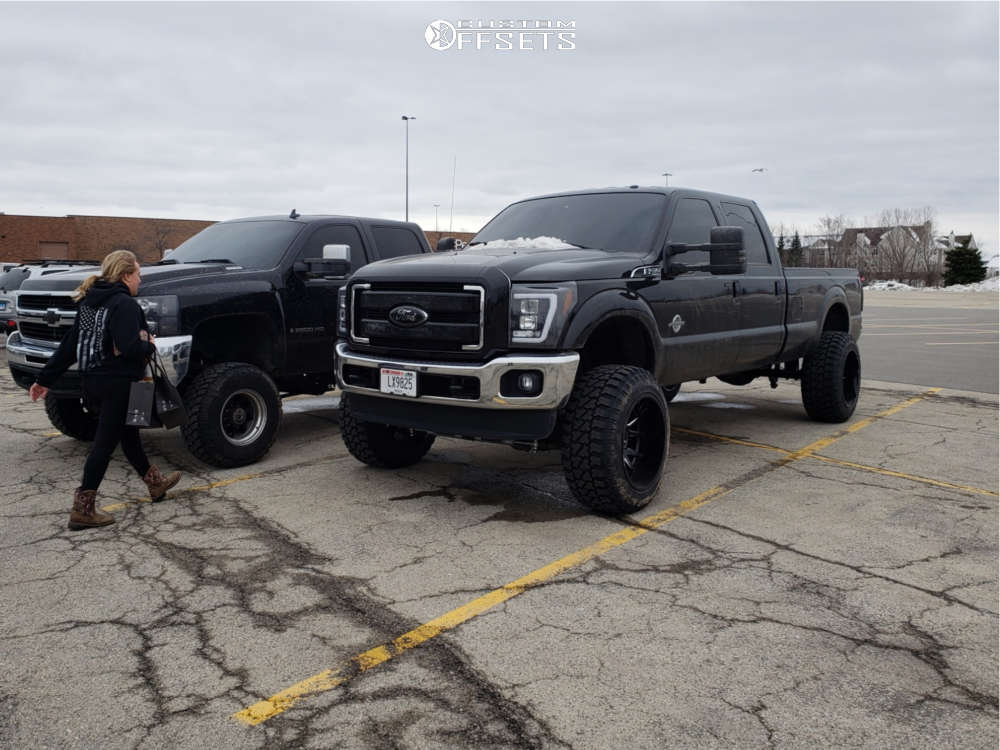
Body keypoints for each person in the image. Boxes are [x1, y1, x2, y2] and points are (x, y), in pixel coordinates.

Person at [28, 250, 181, 530]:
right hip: (118, 384)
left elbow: (70, 345)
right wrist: (149, 345)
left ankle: (155, 484)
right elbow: (130, 348)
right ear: (125, 275)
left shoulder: (90, 302)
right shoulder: (124, 305)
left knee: (129, 434)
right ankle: (83, 510)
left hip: (93, 382)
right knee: (104, 444)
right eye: (138, 274)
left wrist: (45, 379)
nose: (140, 279)